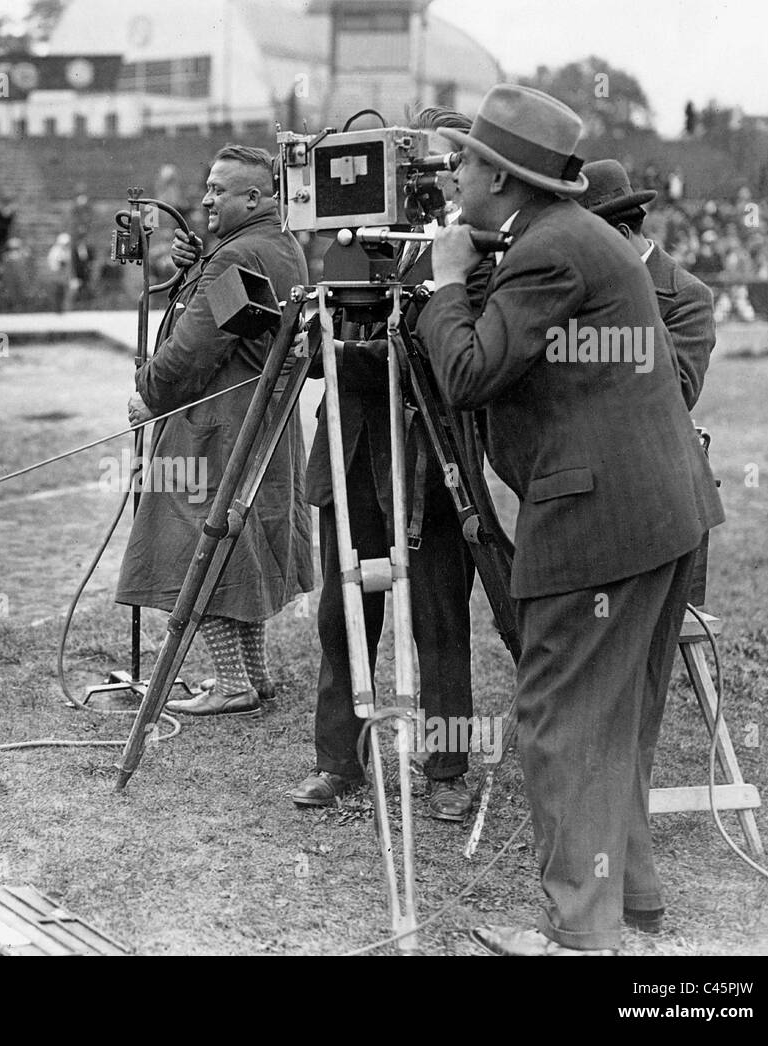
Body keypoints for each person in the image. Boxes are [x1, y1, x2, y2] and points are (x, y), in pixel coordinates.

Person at [419, 84, 724, 955]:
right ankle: (627, 911)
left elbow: (472, 374)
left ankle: (577, 935)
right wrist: (474, 262)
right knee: (618, 717)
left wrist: (443, 285)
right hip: (661, 512)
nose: (453, 173)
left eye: (468, 161)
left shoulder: (548, 253)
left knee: (558, 722)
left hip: (601, 522)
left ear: (506, 181)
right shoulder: (571, 237)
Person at [290, 106, 482, 819]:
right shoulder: (351, 239)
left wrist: (343, 357)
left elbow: (440, 357)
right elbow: (319, 349)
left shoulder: (471, 247)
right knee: (344, 618)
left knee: (439, 620)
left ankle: (447, 771)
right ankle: (338, 761)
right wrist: (314, 341)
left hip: (430, 460)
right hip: (349, 453)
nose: (426, 180)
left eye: (438, 165)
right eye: (417, 166)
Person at [118, 144, 314, 717]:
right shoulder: (280, 246)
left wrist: (148, 392)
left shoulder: (236, 258)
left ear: (253, 197)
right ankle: (252, 677)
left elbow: (194, 348)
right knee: (242, 549)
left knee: (198, 549)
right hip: (261, 424)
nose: (205, 198)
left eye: (218, 190)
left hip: (218, 427)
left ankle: (232, 686)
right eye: (205, 187)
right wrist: (199, 262)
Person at [579, 159, 715, 409]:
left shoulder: (688, 297)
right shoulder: (583, 286)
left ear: (619, 236)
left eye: (586, 244)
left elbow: (676, 396)